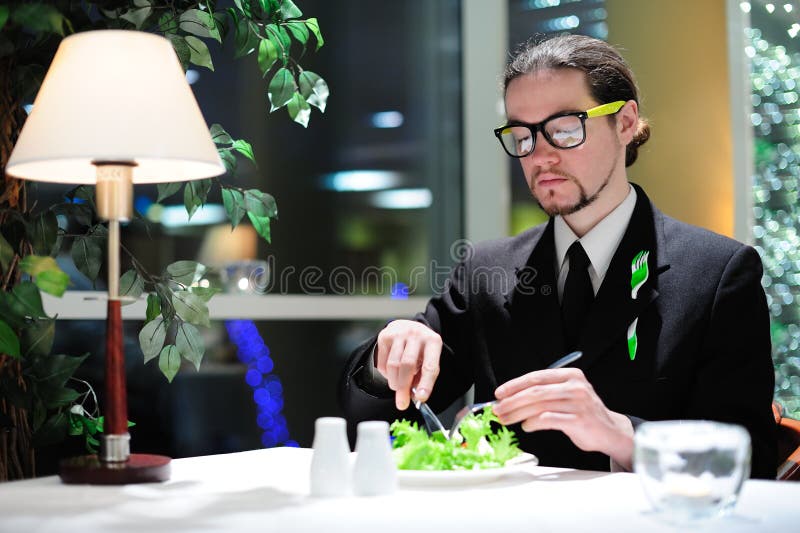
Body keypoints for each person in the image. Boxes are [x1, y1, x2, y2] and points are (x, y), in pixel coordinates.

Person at [339, 34, 776, 478]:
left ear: (625, 123)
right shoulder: (486, 272)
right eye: (522, 135)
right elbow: (372, 428)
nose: (540, 155)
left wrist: (622, 434)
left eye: (566, 128)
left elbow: (751, 459)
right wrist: (385, 362)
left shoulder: (717, 273)